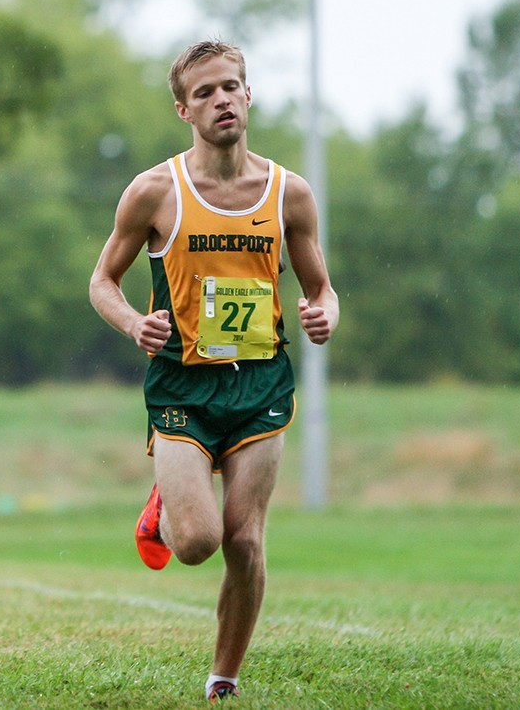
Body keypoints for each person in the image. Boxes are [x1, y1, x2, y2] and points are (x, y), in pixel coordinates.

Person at [89, 40, 338, 703]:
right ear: (183, 108)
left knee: (246, 541)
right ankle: (166, 507)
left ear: (249, 95)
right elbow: (102, 282)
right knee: (198, 541)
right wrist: (131, 324)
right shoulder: (154, 191)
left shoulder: (290, 193)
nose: (221, 99)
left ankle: (223, 679)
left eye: (231, 86)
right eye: (204, 92)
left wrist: (323, 315)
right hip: (182, 386)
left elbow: (323, 288)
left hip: (260, 384)